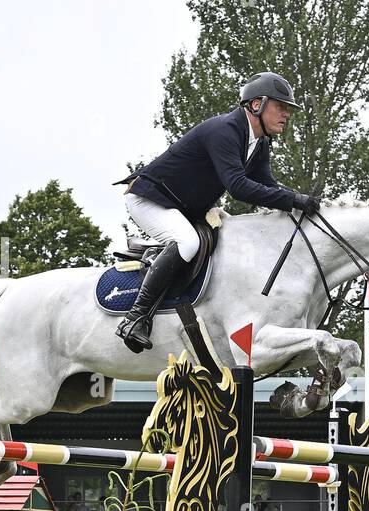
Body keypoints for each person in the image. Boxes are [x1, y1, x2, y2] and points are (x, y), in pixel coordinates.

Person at [113, 71, 322, 353]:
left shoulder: (259, 143)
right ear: (257, 104)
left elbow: (267, 186)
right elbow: (238, 187)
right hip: (150, 199)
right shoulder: (224, 130)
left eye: (288, 109)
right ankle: (135, 317)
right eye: (281, 107)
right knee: (188, 242)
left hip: (182, 207)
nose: (286, 115)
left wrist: (298, 204)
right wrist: (294, 199)